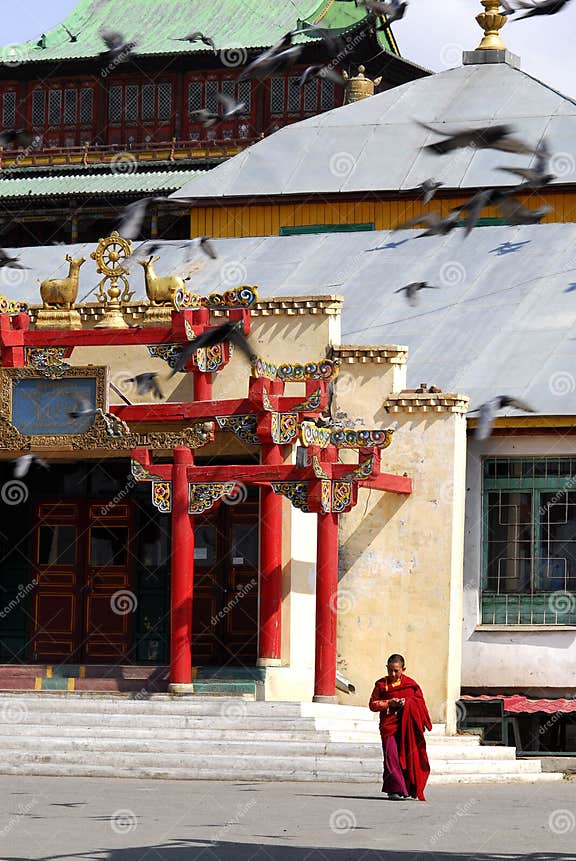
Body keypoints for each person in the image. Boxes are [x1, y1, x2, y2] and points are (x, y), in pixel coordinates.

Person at [369, 653, 432, 801]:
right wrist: (389, 703)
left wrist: (407, 703)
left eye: (396, 670)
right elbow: (372, 704)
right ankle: (395, 789)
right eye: (390, 670)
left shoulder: (411, 685)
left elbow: (420, 703)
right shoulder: (381, 685)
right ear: (386, 668)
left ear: (403, 669)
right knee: (391, 756)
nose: (392, 674)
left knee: (406, 756)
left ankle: (407, 788)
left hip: (406, 726)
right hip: (388, 726)